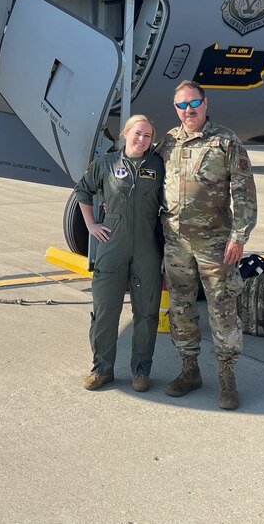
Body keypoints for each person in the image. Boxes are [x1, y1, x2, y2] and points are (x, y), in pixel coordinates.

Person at [158, 80, 256, 410]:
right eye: (181, 105)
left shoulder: (226, 142)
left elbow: (244, 194)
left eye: (193, 103)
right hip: (176, 244)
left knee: (223, 308)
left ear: (205, 102)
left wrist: (239, 237)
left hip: (216, 244)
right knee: (181, 308)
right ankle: (189, 371)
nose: (188, 110)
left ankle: (227, 378)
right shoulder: (168, 142)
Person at [73, 114, 166, 392]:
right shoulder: (105, 163)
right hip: (112, 243)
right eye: (137, 133)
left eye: (148, 136)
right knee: (104, 310)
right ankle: (102, 369)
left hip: (148, 246)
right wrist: (91, 224)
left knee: (147, 313)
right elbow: (83, 191)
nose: (142, 139)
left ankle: (141, 371)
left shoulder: (158, 166)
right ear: (125, 134)